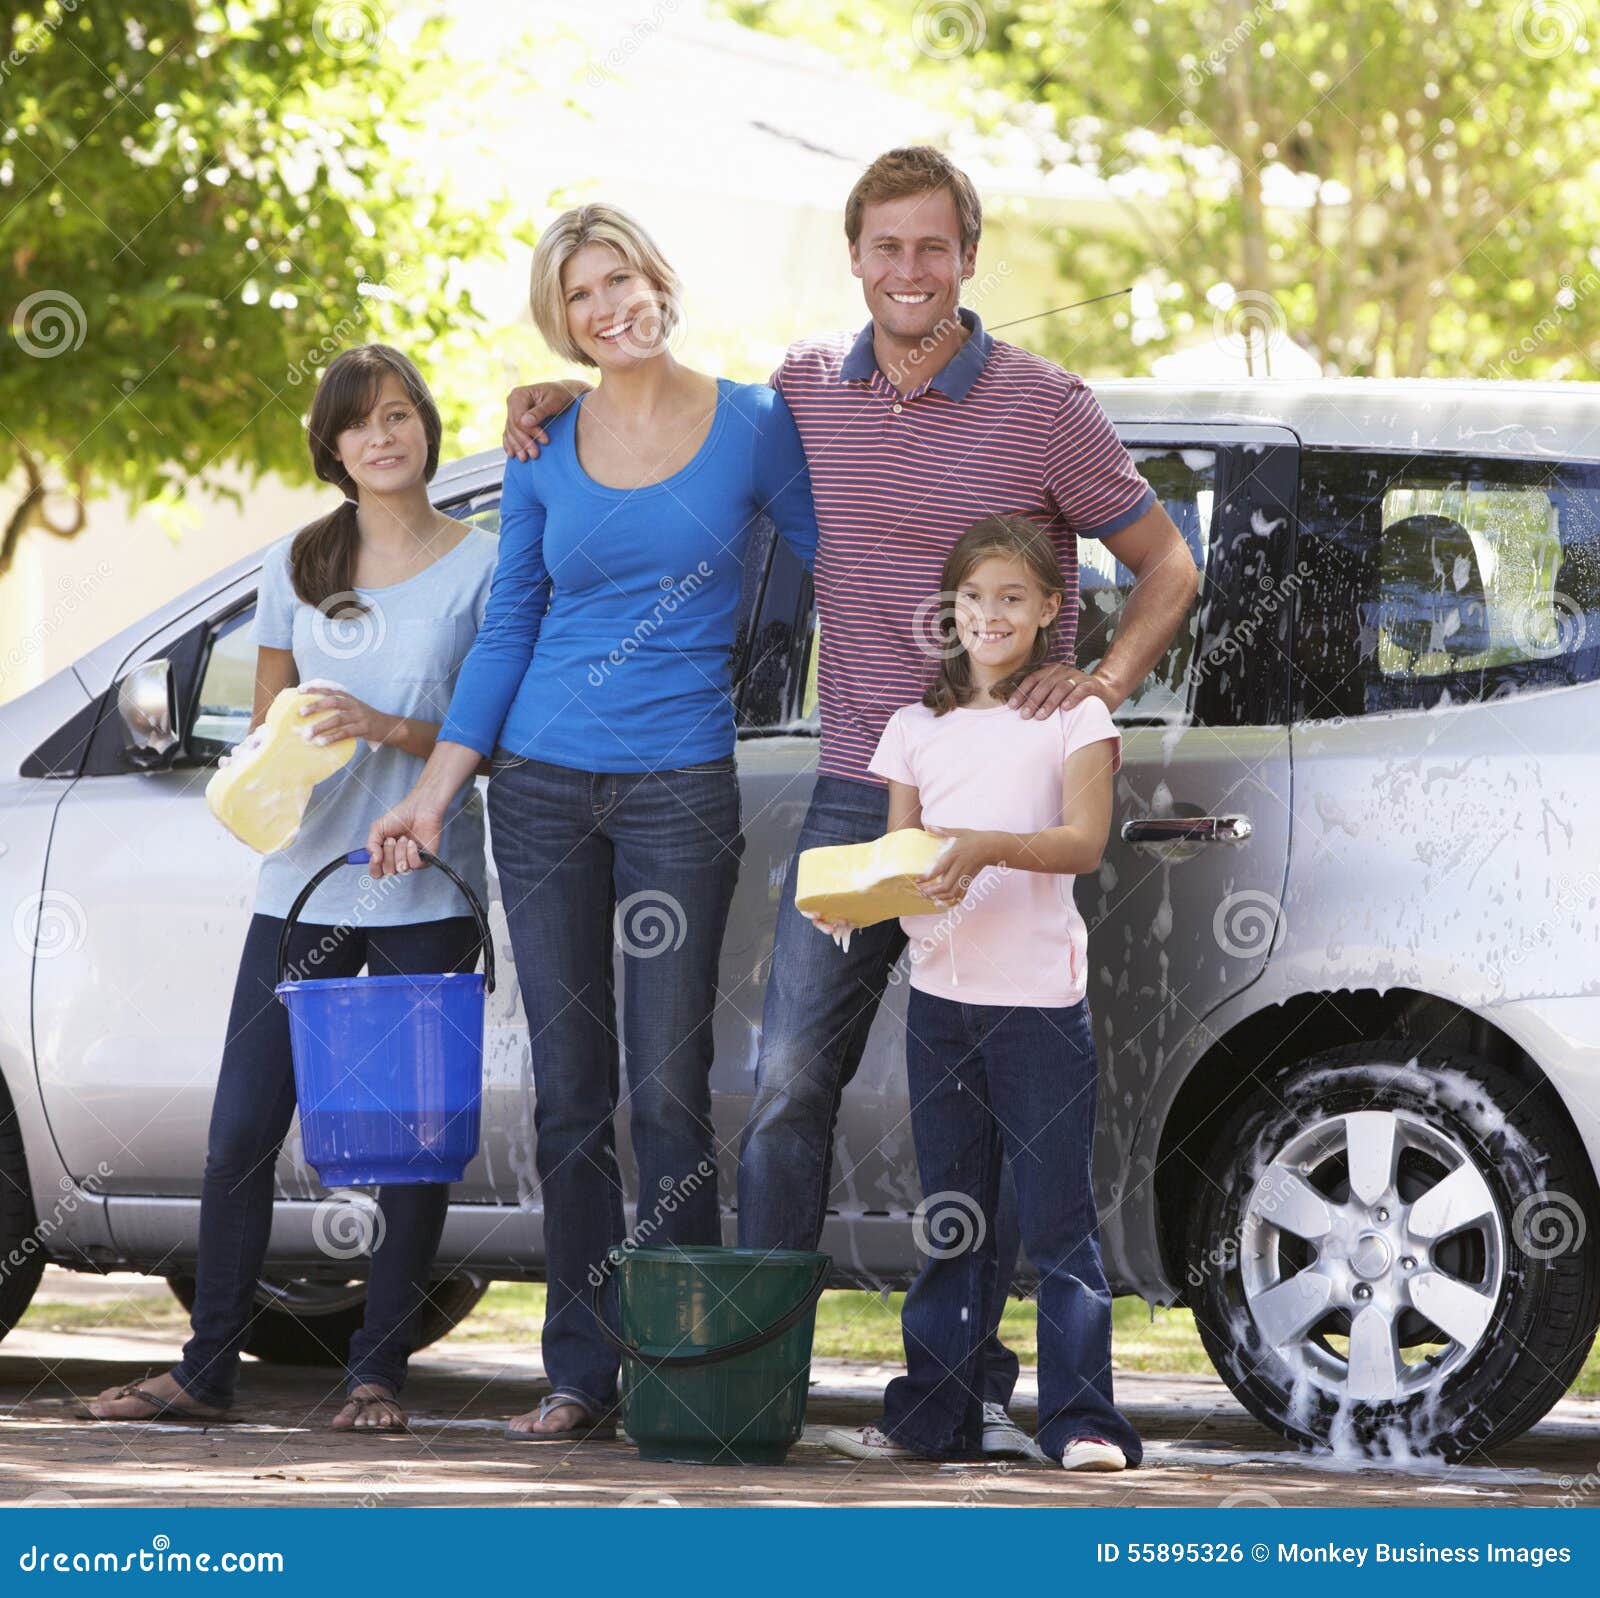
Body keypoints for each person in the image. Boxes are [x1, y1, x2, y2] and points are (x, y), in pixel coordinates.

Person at [502, 148, 1197, 1457]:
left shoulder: (1049, 404)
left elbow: (1166, 561)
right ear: (858, 258)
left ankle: (977, 1389)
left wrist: (1098, 678)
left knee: (994, 1107)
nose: (910, 271)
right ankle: (745, 1386)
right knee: (783, 1094)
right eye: (886, 248)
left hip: (1001, 800)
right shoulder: (807, 393)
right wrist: (557, 387)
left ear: (969, 256)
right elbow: (670, 416)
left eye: (933, 247)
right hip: (853, 796)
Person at [364, 204, 819, 1441]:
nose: (606, 305)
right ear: (558, 320)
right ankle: (581, 1367)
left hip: (681, 786)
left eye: (620, 278)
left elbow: (845, 557)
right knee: (569, 1092)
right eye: (579, 295)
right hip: (542, 786)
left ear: (661, 281)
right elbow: (510, 620)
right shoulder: (541, 439)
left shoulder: (754, 427)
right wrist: (435, 786)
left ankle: (679, 1357)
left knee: (668, 1091)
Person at [91, 344, 499, 1430]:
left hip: (422, 892)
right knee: (238, 1133)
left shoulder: (484, 565)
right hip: (302, 888)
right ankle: (205, 1367)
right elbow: (265, 724)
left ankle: (376, 1374)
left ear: (426, 427)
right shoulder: (300, 560)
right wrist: (293, 748)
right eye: (360, 422)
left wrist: (385, 729)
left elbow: (491, 733)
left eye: (402, 414)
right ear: (331, 446)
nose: (384, 435)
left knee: (409, 1143)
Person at [821, 514, 1143, 1471]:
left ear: (1051, 609)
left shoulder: (1077, 717)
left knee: (1055, 1221)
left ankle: (1084, 1423)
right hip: (940, 1006)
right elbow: (903, 858)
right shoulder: (913, 729)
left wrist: (994, 847)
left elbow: (1082, 845)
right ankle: (933, 1415)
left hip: (1041, 1005)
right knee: (953, 1214)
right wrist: (854, 903)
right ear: (950, 610)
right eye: (973, 598)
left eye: (1013, 597)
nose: (990, 615)